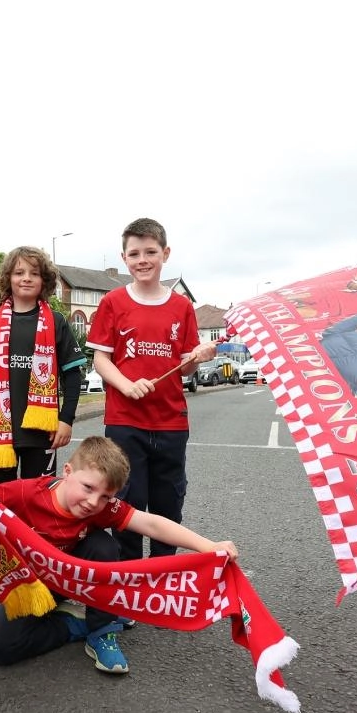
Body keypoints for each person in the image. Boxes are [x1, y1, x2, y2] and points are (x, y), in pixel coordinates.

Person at [0, 436, 238, 675]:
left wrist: (208, 545)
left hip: (71, 578)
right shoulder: (28, 493)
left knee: (104, 546)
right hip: (32, 585)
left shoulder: (101, 507)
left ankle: (101, 629)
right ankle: (73, 623)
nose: (94, 502)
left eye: (106, 496)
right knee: (0, 648)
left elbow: (149, 522)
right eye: (88, 488)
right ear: (67, 472)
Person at [0, 247, 86, 599]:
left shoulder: (56, 322)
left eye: (34, 273)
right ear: (8, 278)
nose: (26, 278)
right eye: (19, 272)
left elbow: (73, 374)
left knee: (41, 505)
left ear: (45, 281)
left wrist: (66, 420)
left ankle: (40, 567)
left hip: (42, 432)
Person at [85, 218, 217, 561]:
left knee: (168, 503)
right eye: (134, 253)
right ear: (124, 258)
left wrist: (198, 357)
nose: (142, 259)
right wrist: (127, 386)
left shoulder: (182, 307)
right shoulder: (113, 302)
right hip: (125, 422)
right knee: (126, 503)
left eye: (150, 252)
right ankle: (130, 580)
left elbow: (185, 366)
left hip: (171, 422)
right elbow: (101, 359)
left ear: (165, 253)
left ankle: (161, 576)